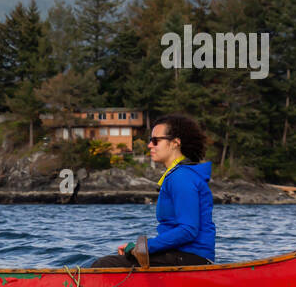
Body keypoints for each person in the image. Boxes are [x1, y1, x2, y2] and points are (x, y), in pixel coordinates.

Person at [90, 113, 215, 268]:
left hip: (190, 259)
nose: (150, 145)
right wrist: (139, 249)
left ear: (175, 143)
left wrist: (144, 248)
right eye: (150, 140)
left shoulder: (181, 177)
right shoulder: (179, 175)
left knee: (104, 264)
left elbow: (188, 230)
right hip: (182, 256)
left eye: (156, 141)